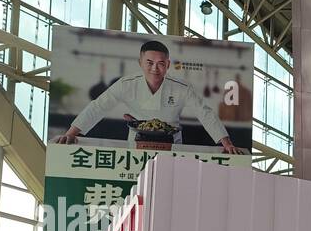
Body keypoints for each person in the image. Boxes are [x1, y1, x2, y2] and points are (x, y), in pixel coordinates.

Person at [52, 40, 245, 153]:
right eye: (150, 62)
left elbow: (204, 113)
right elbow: (98, 106)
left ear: (168, 65)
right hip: (136, 143)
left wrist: (226, 142)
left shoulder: (181, 87)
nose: (155, 68)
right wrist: (71, 134)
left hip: (172, 145)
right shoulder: (127, 84)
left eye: (161, 63)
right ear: (140, 62)